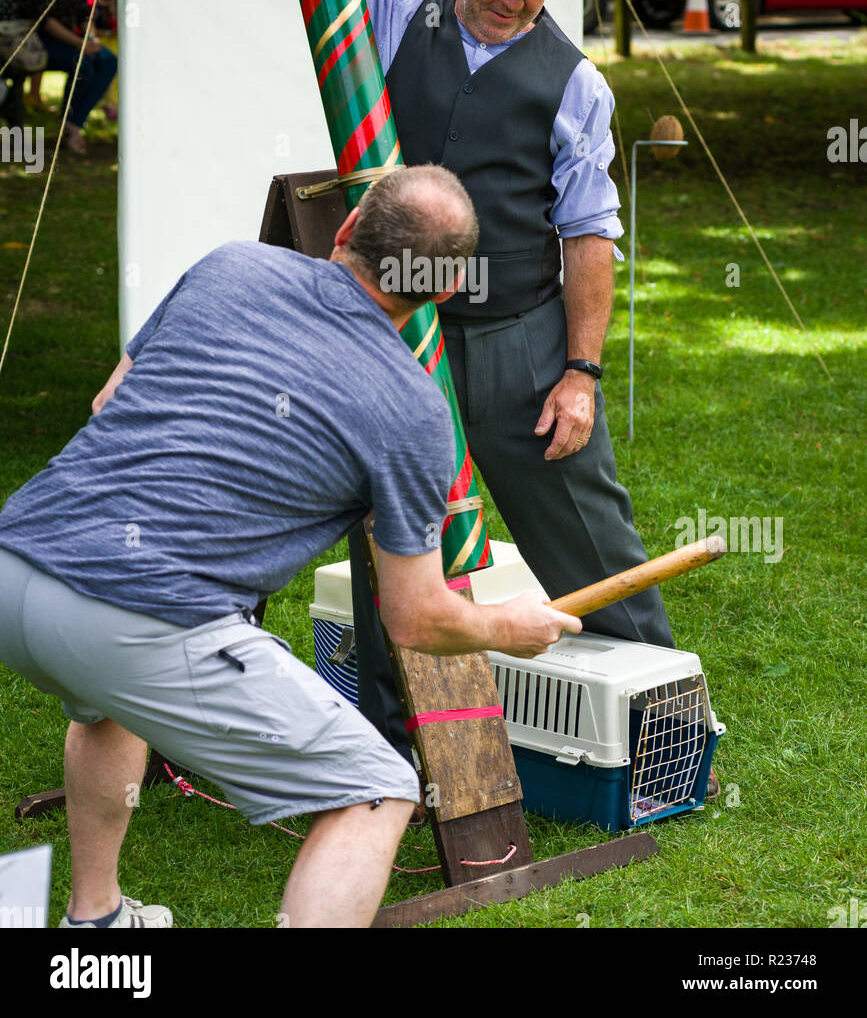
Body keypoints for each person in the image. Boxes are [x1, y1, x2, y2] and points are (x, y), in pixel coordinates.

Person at [232, 0, 692, 777]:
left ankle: (658, 720)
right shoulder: (394, 5)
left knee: (577, 514)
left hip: (521, 330)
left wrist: (579, 371)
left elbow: (590, 236)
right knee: (393, 516)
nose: (517, 4)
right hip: (391, 325)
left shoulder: (575, 84)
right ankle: (398, 745)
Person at [0, 166, 583, 930]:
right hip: (139, 619)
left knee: (112, 708)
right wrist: (508, 627)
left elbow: (110, 401)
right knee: (374, 790)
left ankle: (97, 919)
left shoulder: (229, 265)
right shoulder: (413, 410)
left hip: (19, 561)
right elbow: (414, 619)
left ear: (344, 232)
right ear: (445, 291)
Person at [13, 0, 117, 154]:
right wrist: (81, 44)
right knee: (84, 65)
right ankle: (69, 129)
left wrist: (90, 38)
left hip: (72, 40)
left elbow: (84, 14)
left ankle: (72, 124)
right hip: (37, 43)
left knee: (109, 61)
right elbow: (45, 22)